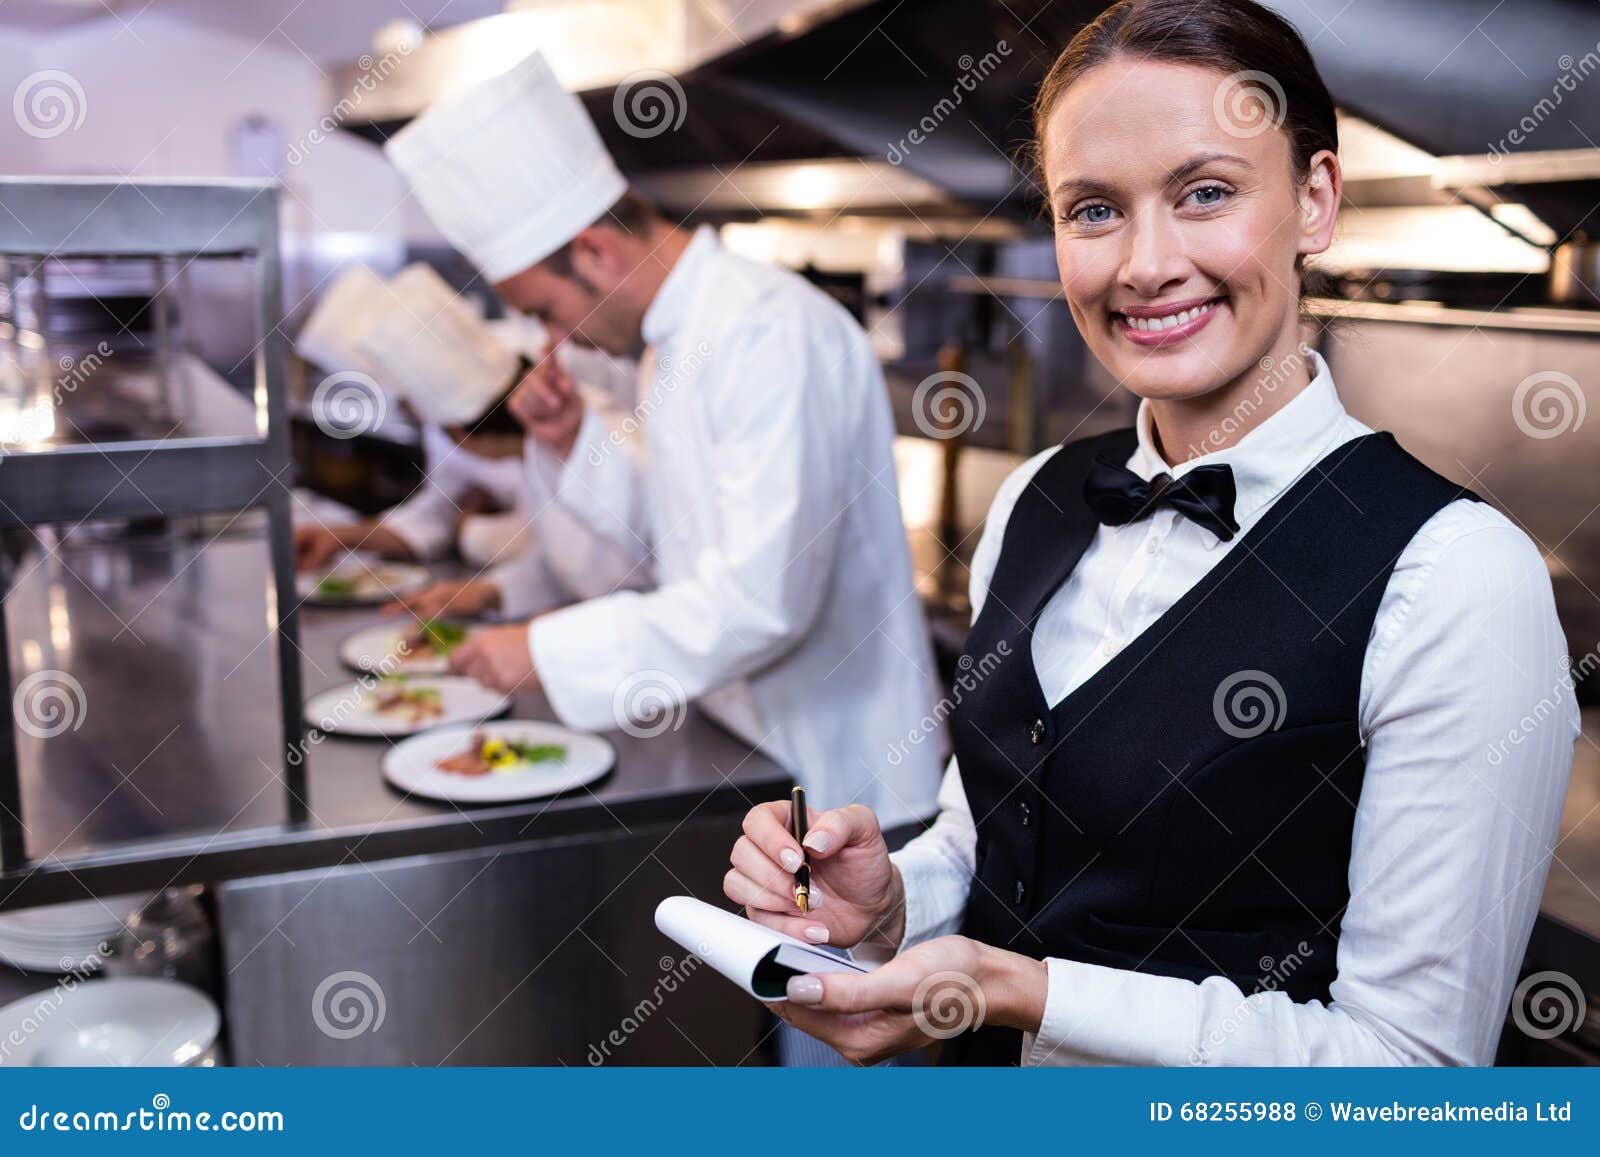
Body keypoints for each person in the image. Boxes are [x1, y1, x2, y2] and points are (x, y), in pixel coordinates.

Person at [725, 0, 1579, 1066]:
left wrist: (1024, 990)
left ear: (1314, 202)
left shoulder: (1453, 576)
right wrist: (895, 900)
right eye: (1092, 211)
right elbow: (989, 835)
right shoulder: (1039, 496)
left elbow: (1411, 1067)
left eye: (1206, 193)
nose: (1143, 264)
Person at [383, 51, 944, 837]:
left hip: (844, 781)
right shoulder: (667, 345)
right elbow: (665, 544)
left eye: (546, 310)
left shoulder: (762, 330)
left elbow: (762, 598)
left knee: (850, 966)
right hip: (750, 754)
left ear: (595, 253)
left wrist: (545, 649)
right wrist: (571, 437)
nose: (552, 339)